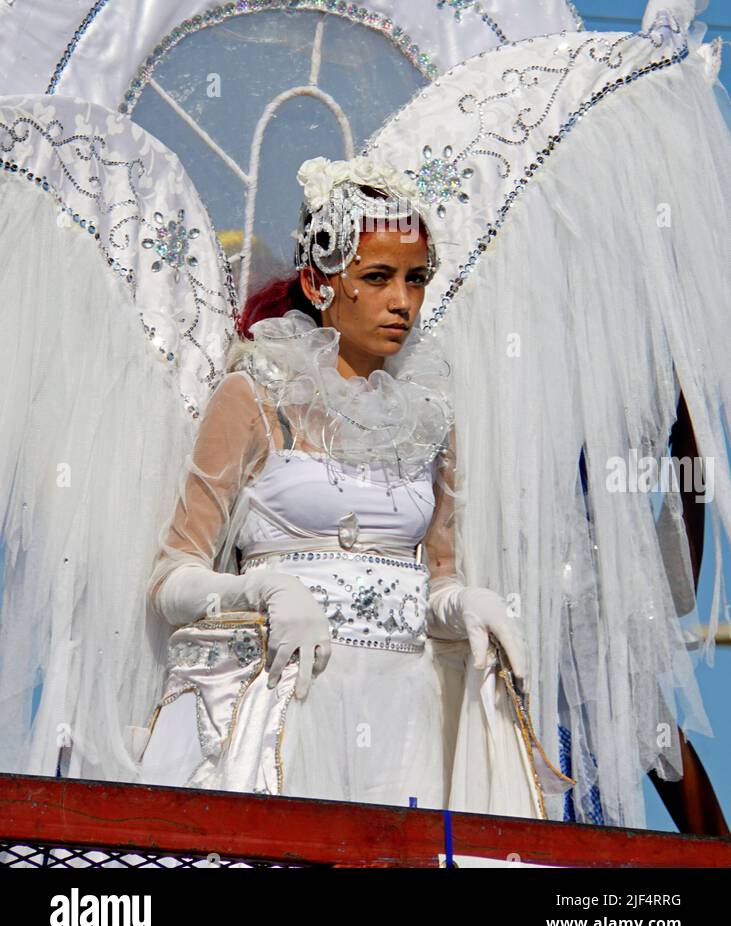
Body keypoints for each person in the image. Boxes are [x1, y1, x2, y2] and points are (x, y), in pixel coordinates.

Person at [137, 154, 571, 814]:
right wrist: (263, 588)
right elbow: (171, 578)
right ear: (318, 282)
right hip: (287, 706)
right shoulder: (255, 392)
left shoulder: (429, 413)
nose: (402, 300)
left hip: (403, 718)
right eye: (378, 277)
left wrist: (460, 604)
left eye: (416, 279)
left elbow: (438, 576)